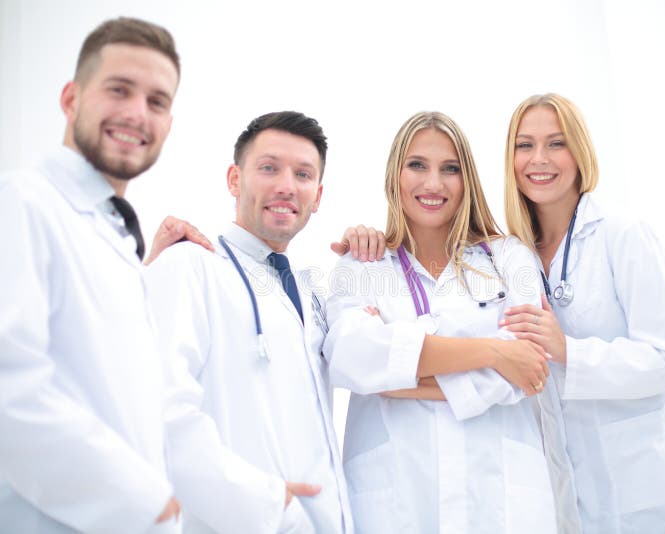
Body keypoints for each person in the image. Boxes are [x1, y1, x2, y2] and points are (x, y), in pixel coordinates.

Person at [323, 111, 578, 533]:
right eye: (417, 165)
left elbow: (526, 371)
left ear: (467, 179)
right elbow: (351, 359)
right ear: (394, 175)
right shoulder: (362, 264)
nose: (433, 183)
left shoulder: (508, 258)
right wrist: (494, 352)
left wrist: (393, 376)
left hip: (497, 499)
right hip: (399, 501)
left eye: (450, 169)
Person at [145, 111, 386, 533]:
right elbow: (160, 414)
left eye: (303, 174)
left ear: (318, 195)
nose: (286, 186)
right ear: (234, 179)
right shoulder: (189, 265)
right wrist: (271, 507)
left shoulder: (310, 293)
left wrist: (372, 256)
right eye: (269, 168)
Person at [0, 17, 185, 533]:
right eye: (119, 89)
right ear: (71, 99)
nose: (137, 113)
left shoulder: (113, 234)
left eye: (157, 101)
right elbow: (8, 389)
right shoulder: (23, 203)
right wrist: (147, 501)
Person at [501, 93, 665, 533]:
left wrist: (568, 350)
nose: (539, 159)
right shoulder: (511, 254)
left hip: (647, 487)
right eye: (525, 145)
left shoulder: (622, 234)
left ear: (580, 151)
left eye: (556, 143)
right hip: (571, 496)